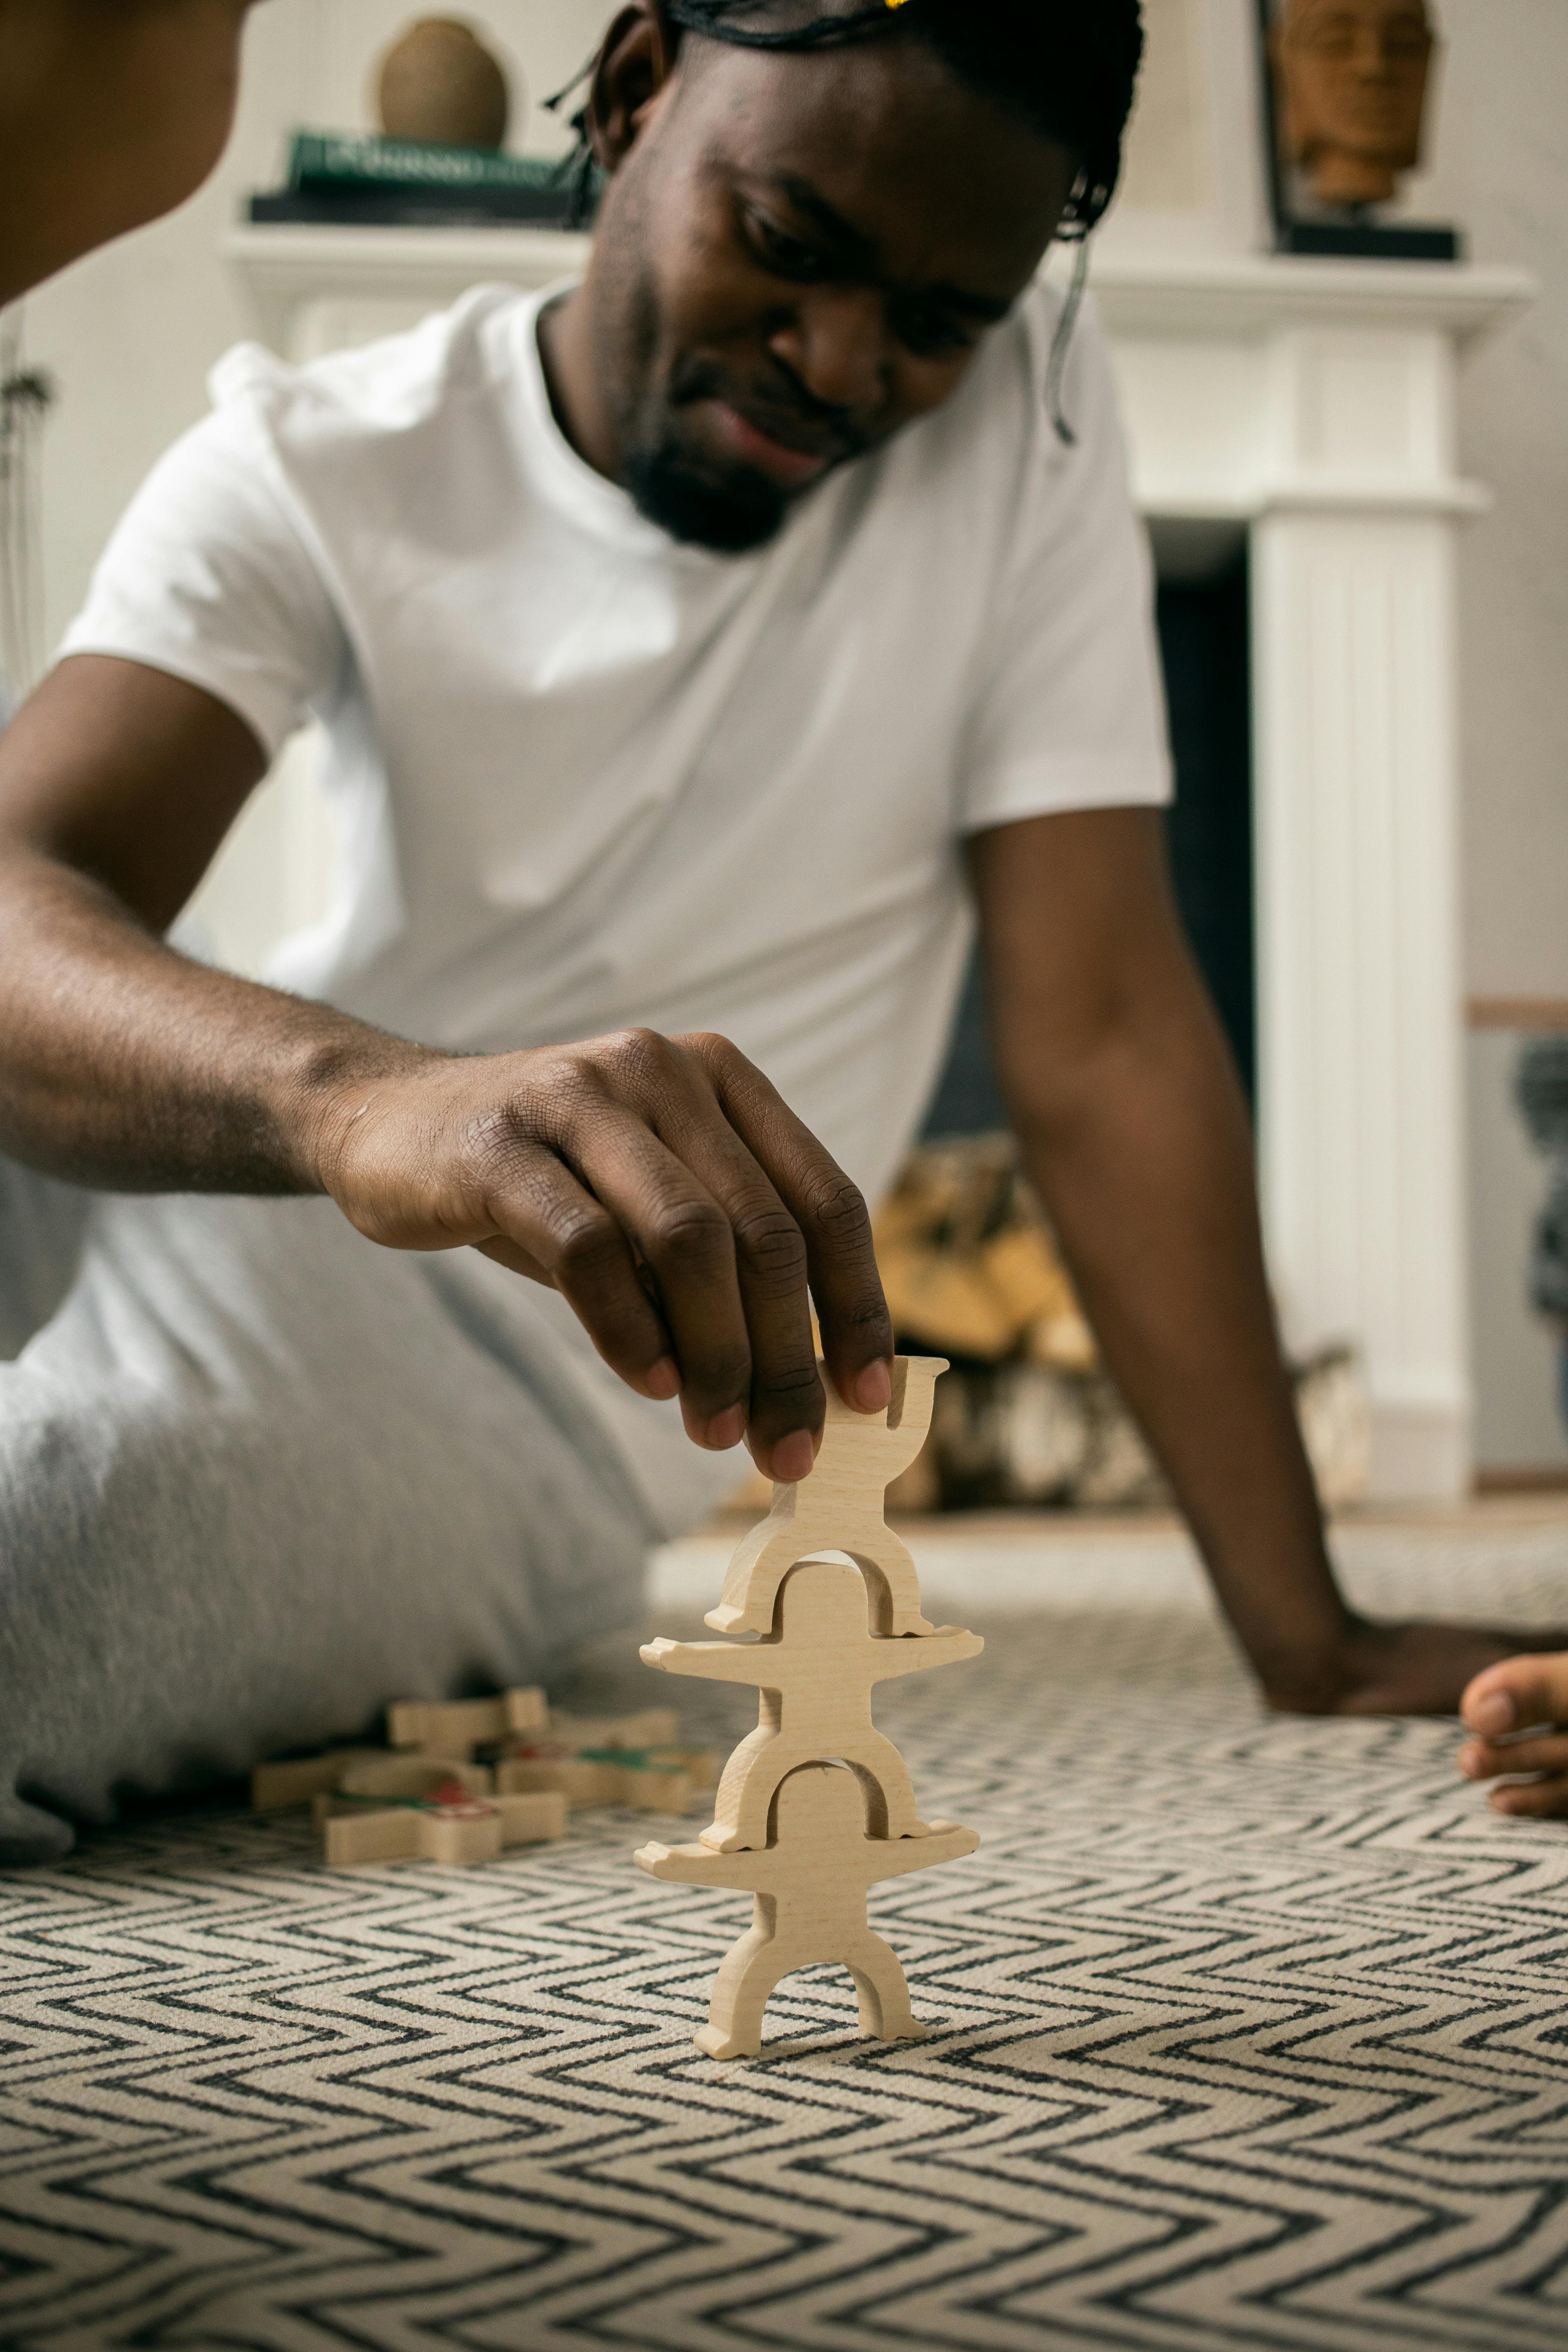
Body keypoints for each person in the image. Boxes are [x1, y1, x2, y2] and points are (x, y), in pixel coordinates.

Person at [0, 0, 1556, 1864]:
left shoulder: (1022, 439)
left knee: (38, 1554)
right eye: (788, 243)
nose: (840, 366)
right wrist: (361, 1105)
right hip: (224, 1162)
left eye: (937, 326)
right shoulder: (323, 456)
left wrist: (1315, 1634)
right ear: (637, 89)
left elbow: (1107, 1036)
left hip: (511, 1387)